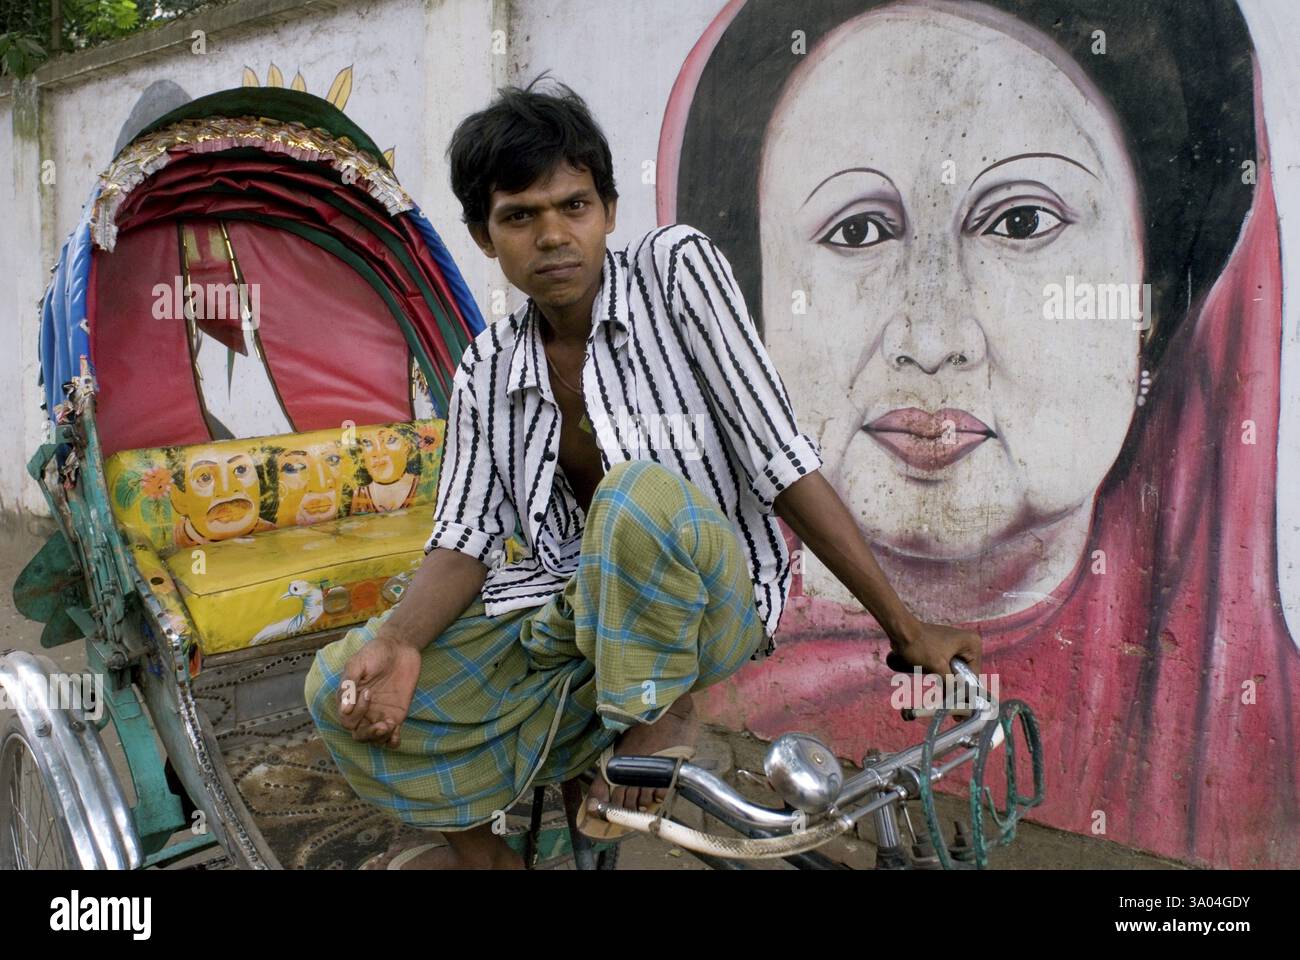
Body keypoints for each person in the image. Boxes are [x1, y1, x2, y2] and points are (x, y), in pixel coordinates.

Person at [662, 0, 1299, 867]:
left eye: (1022, 222)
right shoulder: (684, 692)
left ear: (1153, 303)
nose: (929, 339)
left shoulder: (1259, 742)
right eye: (857, 231)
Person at [304, 76, 981, 869]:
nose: (553, 235)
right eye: (520, 217)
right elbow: (465, 539)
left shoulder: (674, 271)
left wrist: (905, 628)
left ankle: (655, 711)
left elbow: (779, 458)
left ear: (609, 212)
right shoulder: (487, 366)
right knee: (338, 685)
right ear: (486, 239)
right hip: (582, 607)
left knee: (630, 495)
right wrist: (401, 644)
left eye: (574, 207)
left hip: (708, 599)